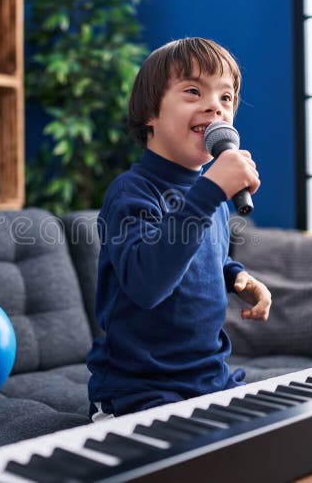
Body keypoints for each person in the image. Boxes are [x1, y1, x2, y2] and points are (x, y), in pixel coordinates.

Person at [86, 37, 272, 421]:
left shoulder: (213, 196)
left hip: (209, 379)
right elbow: (147, 284)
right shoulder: (131, 192)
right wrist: (209, 192)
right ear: (149, 114)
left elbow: (208, 258)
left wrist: (237, 276)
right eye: (193, 91)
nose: (214, 107)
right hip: (140, 389)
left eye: (226, 98)